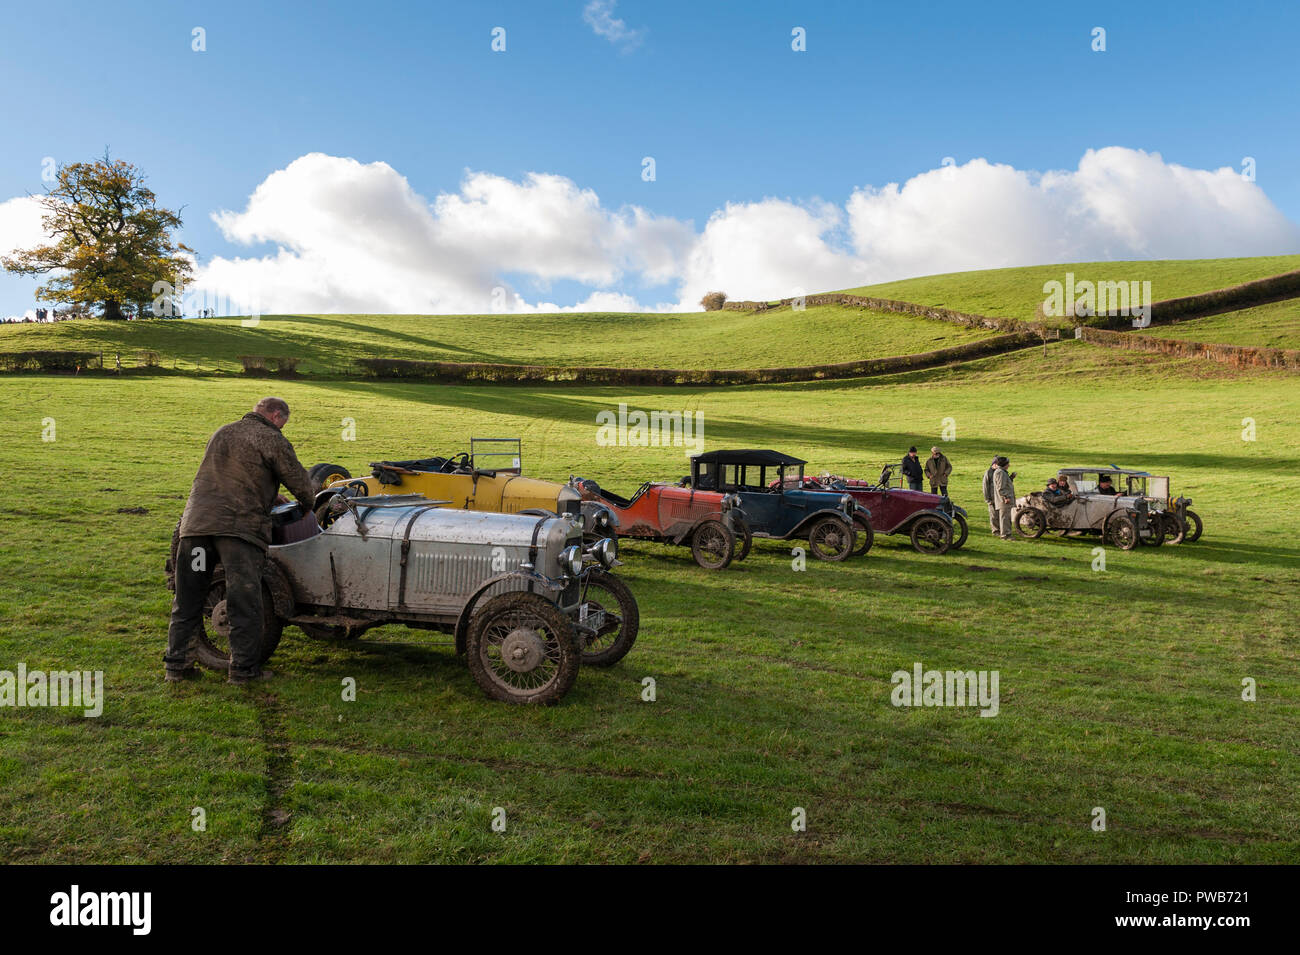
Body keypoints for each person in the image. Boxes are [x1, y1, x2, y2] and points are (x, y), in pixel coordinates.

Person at [165, 397, 317, 685]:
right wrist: (309, 502)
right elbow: (298, 480)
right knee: (243, 600)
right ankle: (243, 671)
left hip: (196, 530)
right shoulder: (270, 438)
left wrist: (269, 494)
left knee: (187, 599)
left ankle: (176, 666)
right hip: (237, 532)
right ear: (275, 416)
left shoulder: (223, 432)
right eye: (283, 423)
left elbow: (228, 477)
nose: (283, 428)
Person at [992, 456, 1016, 539]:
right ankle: (1005, 535)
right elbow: (1000, 487)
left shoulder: (1002, 472)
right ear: (1004, 464)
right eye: (1008, 463)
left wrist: (1011, 478)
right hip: (1004, 500)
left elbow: (1004, 483)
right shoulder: (1000, 472)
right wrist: (1005, 497)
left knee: (1007, 517)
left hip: (1005, 499)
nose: (1009, 465)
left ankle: (1007, 534)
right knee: (1005, 518)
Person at [981, 456, 999, 535]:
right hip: (992, 498)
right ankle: (995, 531)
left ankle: (1000, 529)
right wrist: (988, 499)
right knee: (993, 515)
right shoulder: (988, 472)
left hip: (999, 498)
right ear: (994, 464)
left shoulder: (999, 472)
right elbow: (985, 487)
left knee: (999, 515)